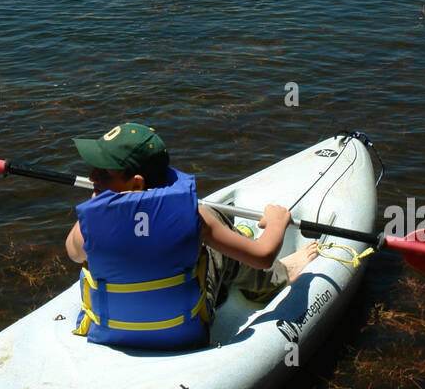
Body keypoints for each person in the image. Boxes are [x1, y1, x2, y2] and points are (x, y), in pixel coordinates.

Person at [64, 123, 319, 350]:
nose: (91, 177)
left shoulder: (89, 227)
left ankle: (237, 246)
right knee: (215, 236)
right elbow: (263, 256)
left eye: (103, 173)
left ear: (137, 184)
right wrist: (277, 222)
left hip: (114, 333)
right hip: (182, 334)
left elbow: (74, 252)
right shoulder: (196, 217)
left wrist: (94, 210)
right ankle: (275, 278)